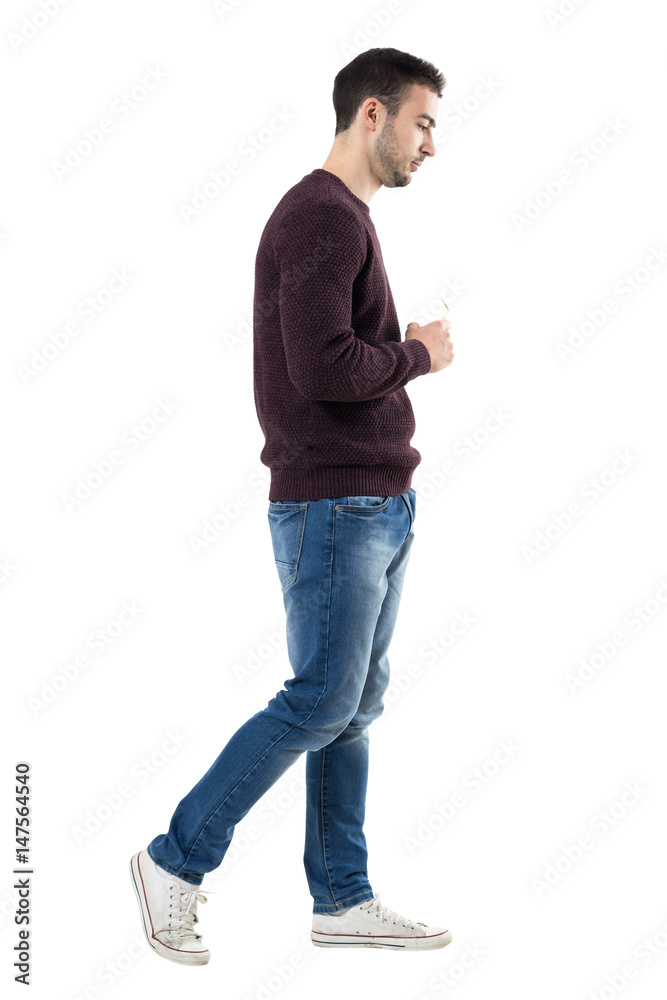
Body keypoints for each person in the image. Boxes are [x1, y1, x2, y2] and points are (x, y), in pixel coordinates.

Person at [130, 46, 454, 966]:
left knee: (352, 706)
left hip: (373, 498)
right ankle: (173, 860)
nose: (431, 145)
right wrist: (419, 353)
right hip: (335, 501)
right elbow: (324, 369)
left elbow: (334, 357)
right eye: (422, 121)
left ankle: (342, 897)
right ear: (370, 116)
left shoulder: (341, 216)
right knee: (319, 699)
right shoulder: (321, 215)